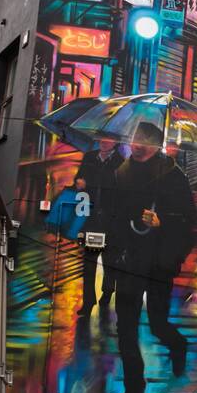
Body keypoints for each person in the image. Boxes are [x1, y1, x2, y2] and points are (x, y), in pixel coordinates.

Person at [108, 121, 197, 393]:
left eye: (145, 139)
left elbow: (189, 221)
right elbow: (112, 214)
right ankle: (134, 385)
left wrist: (164, 221)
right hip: (129, 261)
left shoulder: (173, 176)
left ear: (157, 145)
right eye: (135, 137)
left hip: (159, 262)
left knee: (158, 324)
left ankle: (178, 345)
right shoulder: (121, 173)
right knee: (126, 328)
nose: (138, 144)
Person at [74, 135, 125, 315]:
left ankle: (108, 291)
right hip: (92, 219)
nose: (104, 141)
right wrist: (78, 183)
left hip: (110, 222)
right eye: (102, 137)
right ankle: (88, 302)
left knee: (109, 261)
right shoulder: (89, 157)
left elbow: (123, 194)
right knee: (89, 262)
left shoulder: (121, 163)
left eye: (109, 139)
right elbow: (78, 178)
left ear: (116, 142)